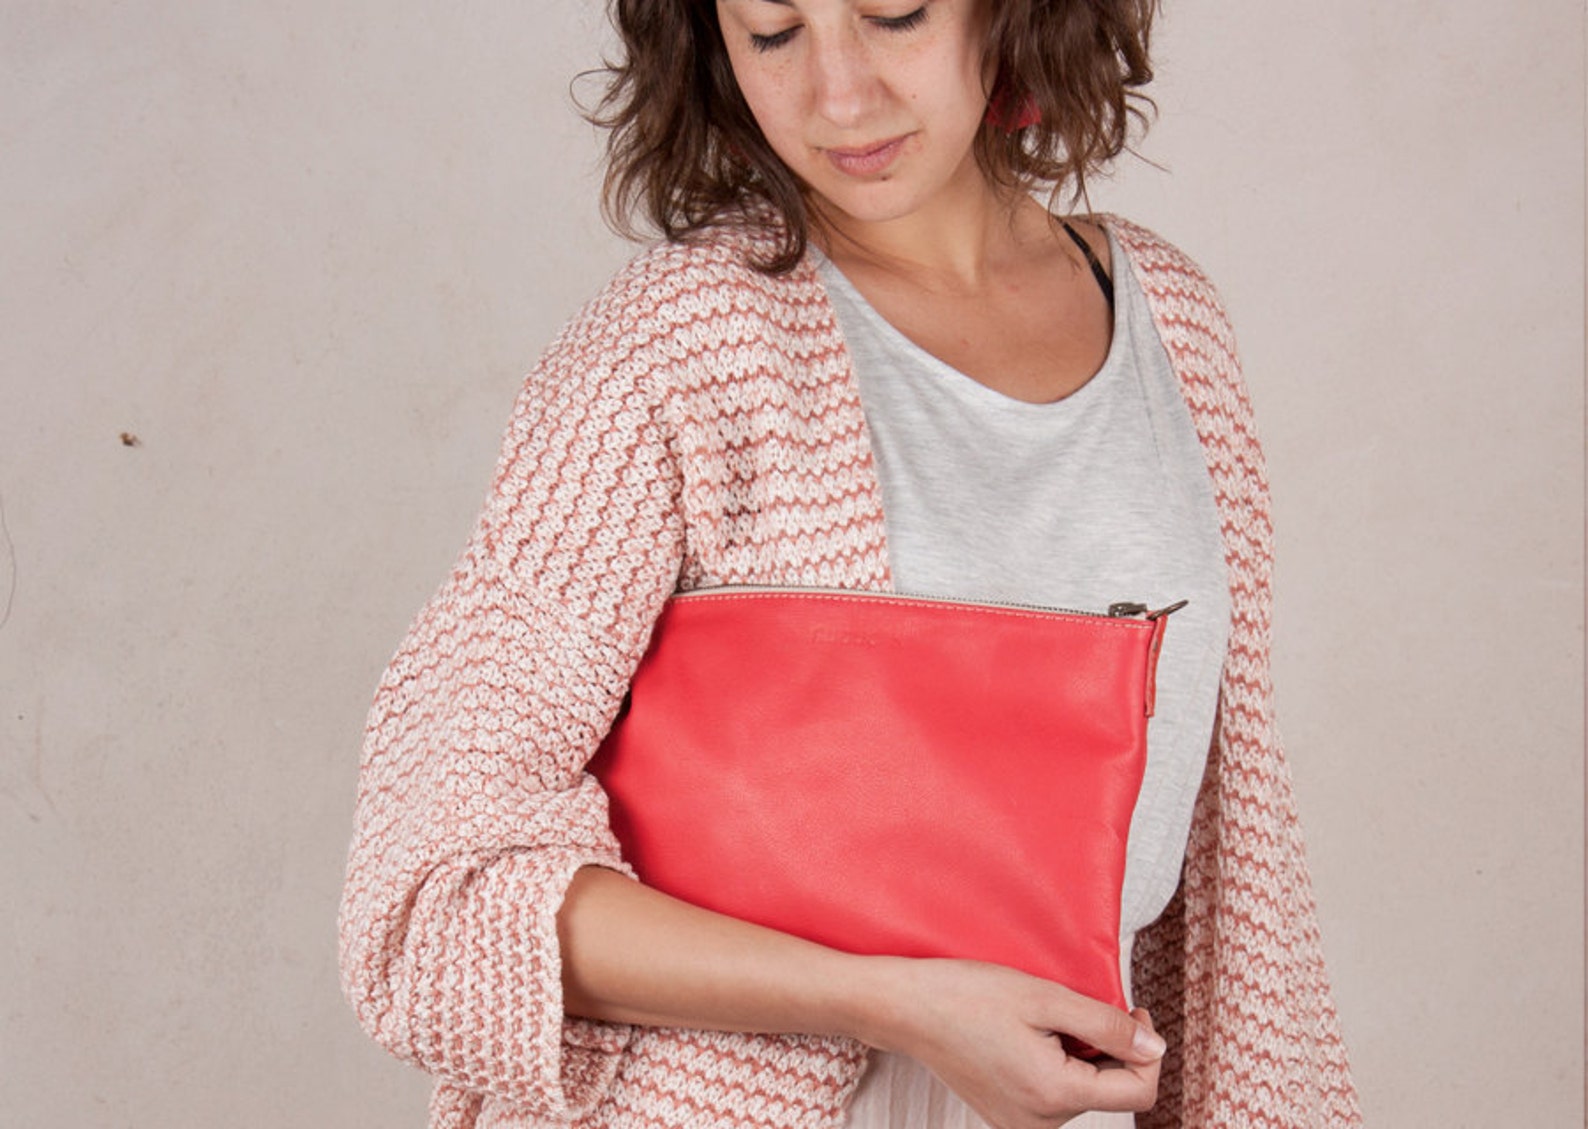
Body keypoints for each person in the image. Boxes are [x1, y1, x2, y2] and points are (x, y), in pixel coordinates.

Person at [339, 1, 1362, 1126]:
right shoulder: (675, 349)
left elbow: (1221, 867)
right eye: (773, 31)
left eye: (893, 14)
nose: (837, 94)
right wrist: (895, 1003)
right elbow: (429, 886)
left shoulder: (1172, 323)